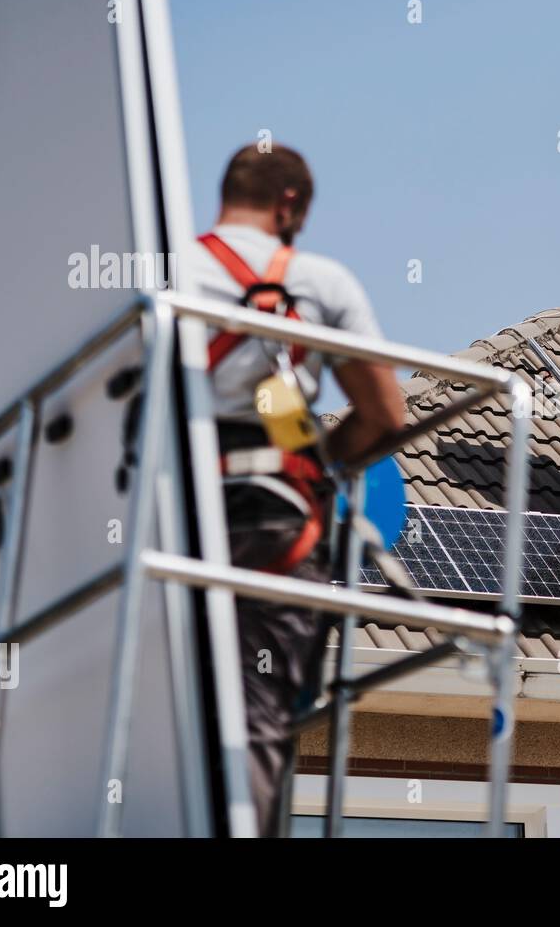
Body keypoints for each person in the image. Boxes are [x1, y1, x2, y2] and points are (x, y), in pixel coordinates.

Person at [187, 143, 405, 836]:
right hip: (269, 524)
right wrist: (318, 465)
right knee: (257, 717)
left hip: (166, 513)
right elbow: (384, 417)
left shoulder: (165, 272)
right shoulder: (320, 281)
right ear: (289, 204)